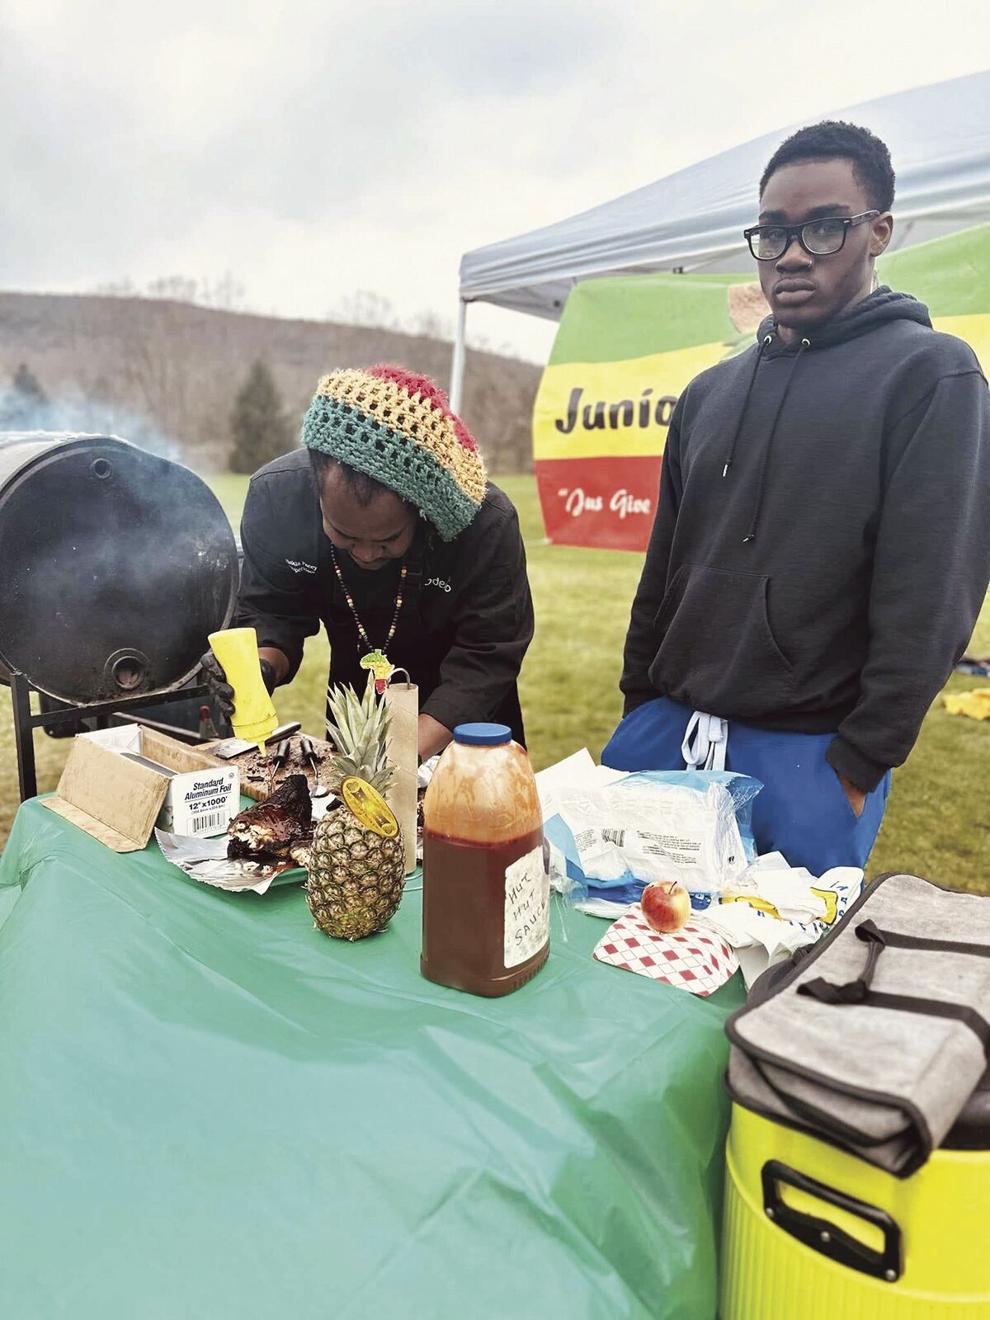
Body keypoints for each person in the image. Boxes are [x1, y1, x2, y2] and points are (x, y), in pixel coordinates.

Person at [603, 120, 990, 874]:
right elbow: (665, 572)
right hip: (668, 734)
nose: (790, 256)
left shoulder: (930, 376)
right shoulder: (708, 395)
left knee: (776, 981)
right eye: (772, 234)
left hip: (811, 757)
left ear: (877, 232)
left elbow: (932, 591)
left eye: (822, 230)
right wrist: (639, 705)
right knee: (624, 947)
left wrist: (860, 761)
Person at [204, 364, 534, 760]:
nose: (364, 553)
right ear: (315, 488)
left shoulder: (485, 524)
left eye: (387, 539)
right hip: (359, 710)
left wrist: (401, 757)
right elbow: (274, 612)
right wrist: (261, 667)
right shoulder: (277, 499)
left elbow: (487, 655)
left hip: (471, 733)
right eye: (343, 534)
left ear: (421, 510)